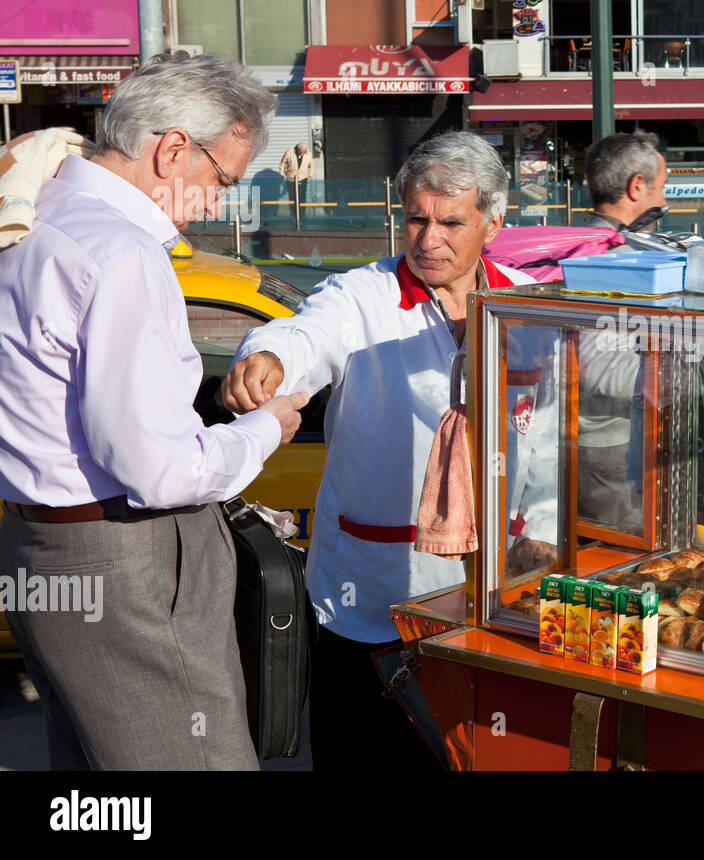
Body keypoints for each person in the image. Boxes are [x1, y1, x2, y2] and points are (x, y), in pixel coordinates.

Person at [0, 53, 310, 771]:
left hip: (40, 546)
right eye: (221, 180)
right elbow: (162, 471)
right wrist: (265, 429)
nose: (218, 202)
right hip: (122, 559)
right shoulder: (121, 253)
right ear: (172, 149)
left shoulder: (31, 211)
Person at [221, 132, 558, 770]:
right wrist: (266, 359)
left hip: (495, 593)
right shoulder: (362, 296)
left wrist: (538, 528)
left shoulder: (527, 302)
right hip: (369, 596)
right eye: (416, 219)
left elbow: (544, 436)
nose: (429, 238)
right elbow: (304, 333)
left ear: (495, 219)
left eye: (451, 222)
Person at [575, 132, 704, 535]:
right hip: (616, 450)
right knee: (632, 568)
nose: (662, 200)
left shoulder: (596, 250)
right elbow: (599, 369)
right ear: (636, 186)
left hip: (633, 440)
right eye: (661, 188)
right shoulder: (609, 260)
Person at [279, 141, 313, 216]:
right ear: (297, 149)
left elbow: (311, 165)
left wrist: (309, 174)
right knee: (292, 198)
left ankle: (302, 215)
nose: (302, 153)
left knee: (302, 198)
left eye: (303, 152)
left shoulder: (308, 154)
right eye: (300, 152)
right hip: (291, 178)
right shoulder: (289, 152)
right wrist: (282, 173)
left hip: (303, 178)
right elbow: (283, 163)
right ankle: (293, 215)